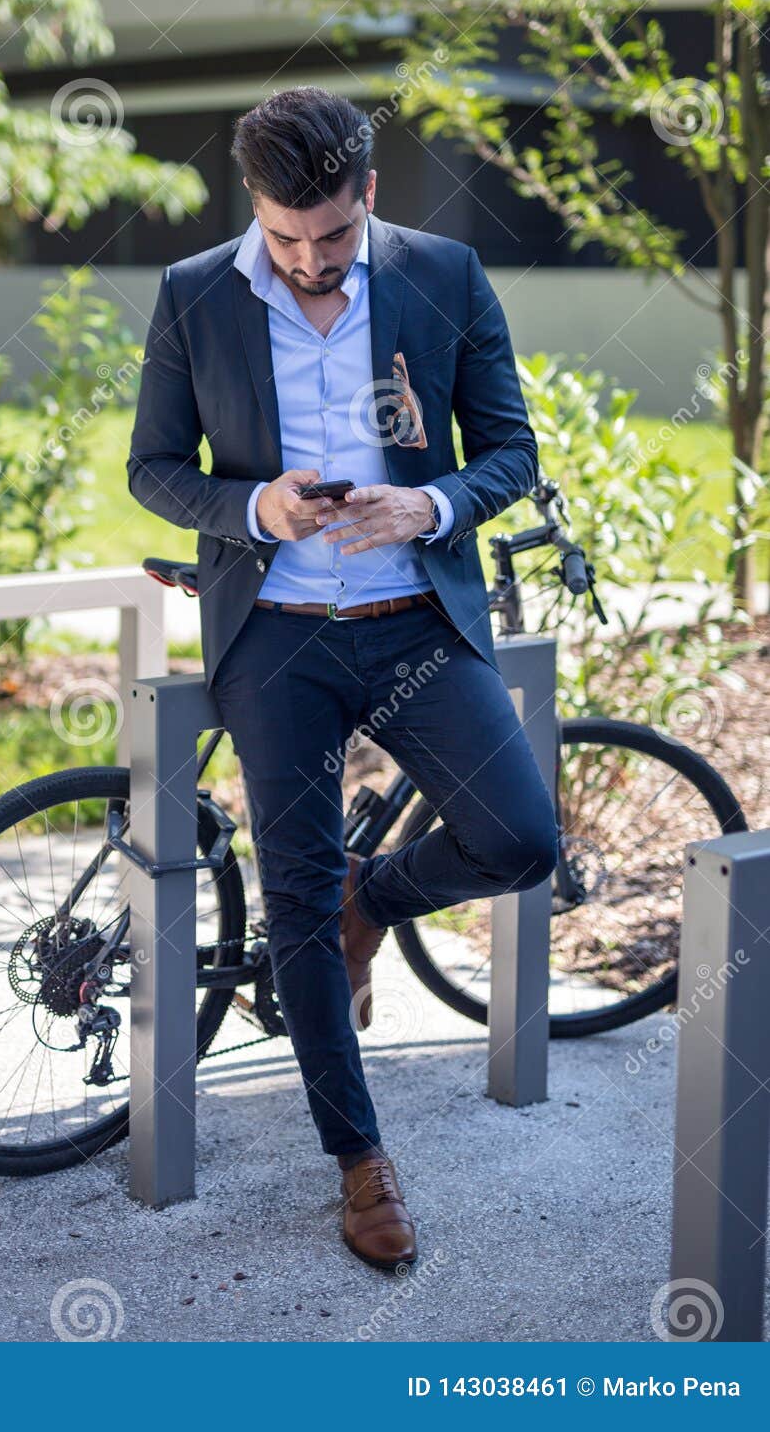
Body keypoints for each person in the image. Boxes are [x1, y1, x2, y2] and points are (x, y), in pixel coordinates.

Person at [126, 86, 557, 1269]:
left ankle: (378, 896)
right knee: (297, 903)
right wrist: (249, 508)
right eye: (284, 237)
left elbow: (509, 450)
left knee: (519, 839)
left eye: (329, 234)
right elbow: (153, 467)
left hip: (414, 619)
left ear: (366, 192)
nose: (309, 261)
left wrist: (430, 504)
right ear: (252, 205)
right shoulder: (193, 291)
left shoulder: (442, 274)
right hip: (276, 634)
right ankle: (358, 1158)